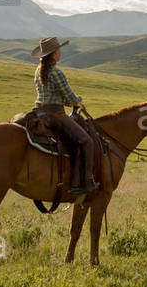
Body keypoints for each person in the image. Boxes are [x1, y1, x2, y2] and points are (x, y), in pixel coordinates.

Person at [30, 36, 99, 197]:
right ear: (54, 53)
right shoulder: (56, 72)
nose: (60, 53)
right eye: (59, 50)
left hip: (39, 112)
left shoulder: (38, 70)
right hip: (55, 114)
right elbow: (69, 98)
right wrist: (78, 101)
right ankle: (85, 183)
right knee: (87, 141)